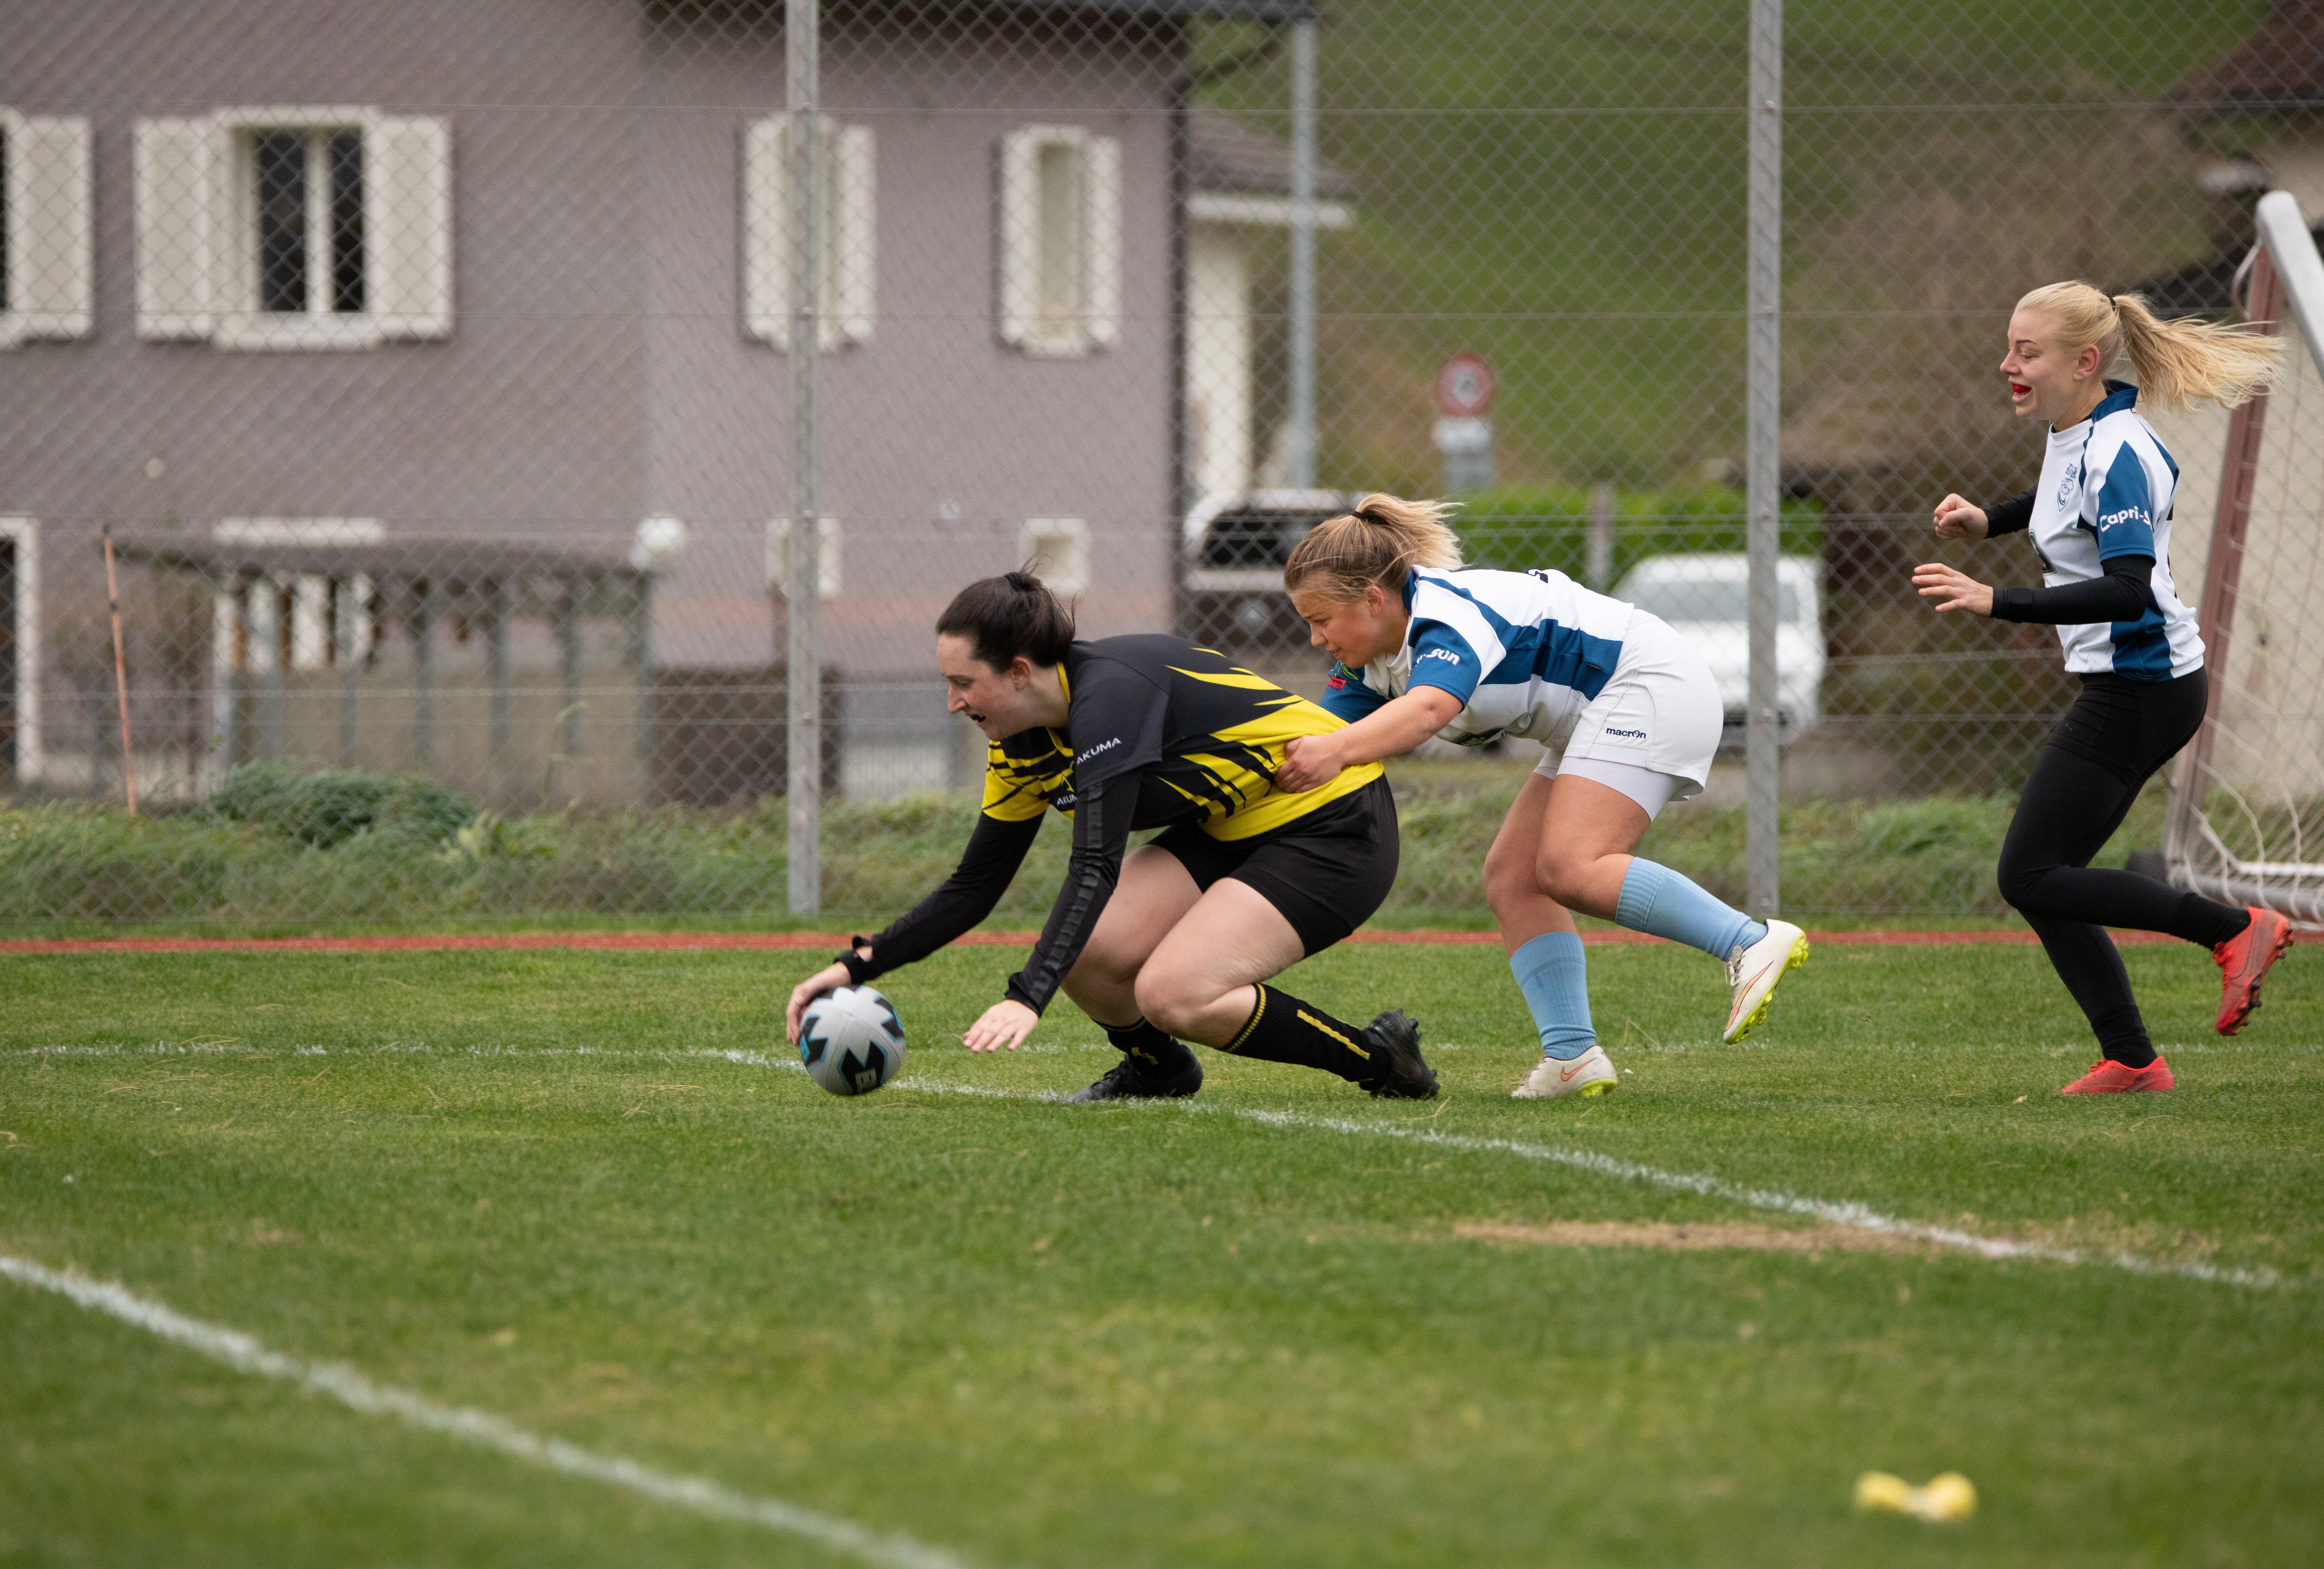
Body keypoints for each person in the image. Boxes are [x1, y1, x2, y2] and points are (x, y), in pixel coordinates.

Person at [783, 570, 1437, 1103]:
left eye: (963, 683)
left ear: (1019, 672)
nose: (953, 703)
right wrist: (853, 967)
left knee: (1173, 993)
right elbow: (974, 887)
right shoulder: (1018, 747)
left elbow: (1094, 864)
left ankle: (1382, 1060)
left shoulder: (1111, 696)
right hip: (1230, 825)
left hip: (1336, 823)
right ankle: (1158, 1071)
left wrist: (1026, 998)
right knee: (1088, 952)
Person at [1272, 496, 1808, 1100]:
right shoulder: (1370, 660)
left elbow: (1427, 711)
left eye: (1321, 619)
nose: (1315, 639)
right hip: (1601, 709)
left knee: (1571, 866)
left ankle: (1746, 940)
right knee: (1515, 877)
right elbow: (1313, 736)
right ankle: (1572, 1057)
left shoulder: (1443, 616)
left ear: (1374, 599)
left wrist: (1336, 751)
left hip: (1648, 684)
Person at [1913, 280, 2292, 1095]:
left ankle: (2235, 929)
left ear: (2085, 362)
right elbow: (2061, 503)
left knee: (2029, 874)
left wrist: (1996, 600)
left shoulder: (2120, 451)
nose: (2008, 365)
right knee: (2046, 879)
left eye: (2028, 353)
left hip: (2143, 689)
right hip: (2130, 686)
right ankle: (2132, 1059)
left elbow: (2126, 588)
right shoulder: (2076, 429)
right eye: (2010, 348)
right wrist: (1990, 520)